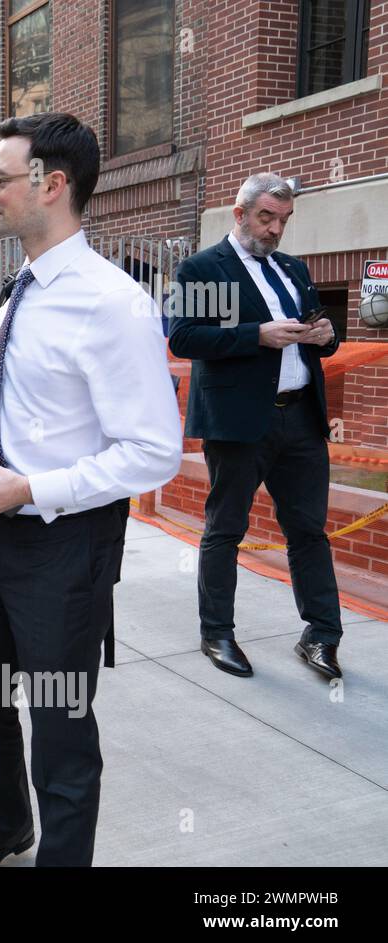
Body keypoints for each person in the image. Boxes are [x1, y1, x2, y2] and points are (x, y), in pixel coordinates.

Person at [0, 113, 181, 867]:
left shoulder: (112, 303)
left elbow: (154, 452)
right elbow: (22, 406)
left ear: (52, 185)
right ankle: (7, 824)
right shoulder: (21, 288)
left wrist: (33, 489)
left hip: (64, 548)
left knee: (60, 726)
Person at [169, 173, 342, 680]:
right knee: (226, 530)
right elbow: (185, 337)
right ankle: (217, 634)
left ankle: (321, 636)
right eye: (266, 217)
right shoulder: (206, 269)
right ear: (240, 214)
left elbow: (315, 336)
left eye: (283, 220)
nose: (275, 229)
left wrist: (326, 336)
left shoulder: (293, 269)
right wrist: (256, 335)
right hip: (239, 422)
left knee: (308, 532)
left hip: (301, 420)